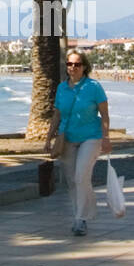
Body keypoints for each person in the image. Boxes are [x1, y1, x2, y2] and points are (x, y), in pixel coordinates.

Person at [46, 50, 111, 236]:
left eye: (77, 64)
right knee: (72, 181)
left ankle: (80, 219)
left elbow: (104, 114)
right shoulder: (61, 88)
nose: (73, 67)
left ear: (84, 67)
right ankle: (81, 214)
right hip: (67, 138)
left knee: (81, 176)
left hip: (91, 137)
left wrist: (106, 138)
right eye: (69, 64)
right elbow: (57, 114)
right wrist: (48, 137)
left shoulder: (94, 87)